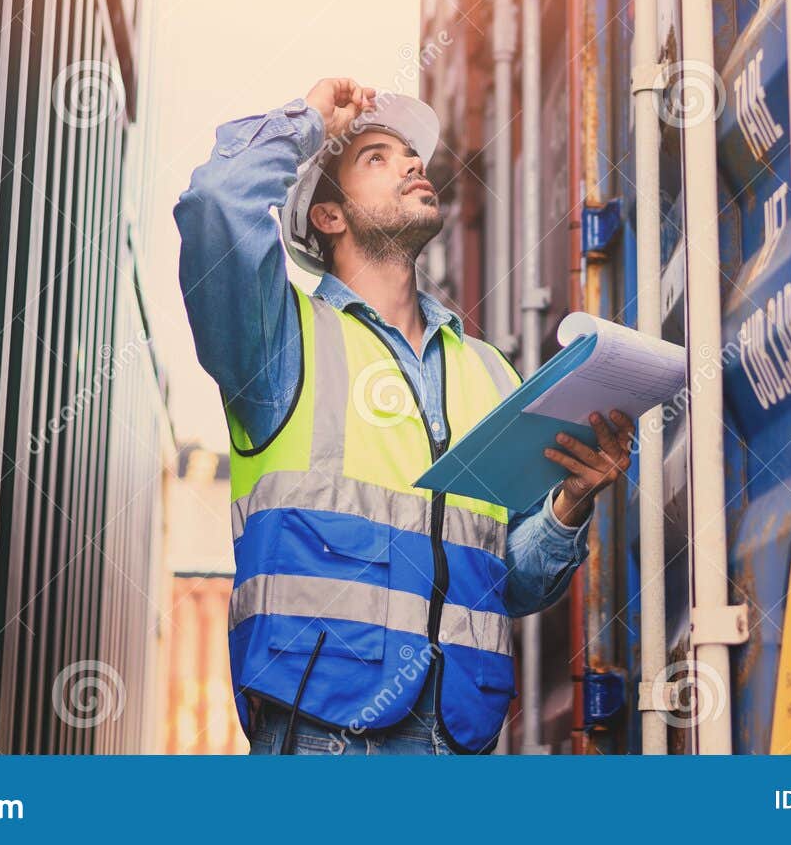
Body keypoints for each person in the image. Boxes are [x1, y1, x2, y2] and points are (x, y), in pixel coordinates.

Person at [174, 77, 636, 755]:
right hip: (321, 737)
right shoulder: (279, 344)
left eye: (412, 157)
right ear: (329, 217)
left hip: (460, 740)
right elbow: (218, 199)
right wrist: (308, 122)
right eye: (377, 158)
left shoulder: (488, 372)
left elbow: (508, 583)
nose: (414, 164)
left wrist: (569, 503)